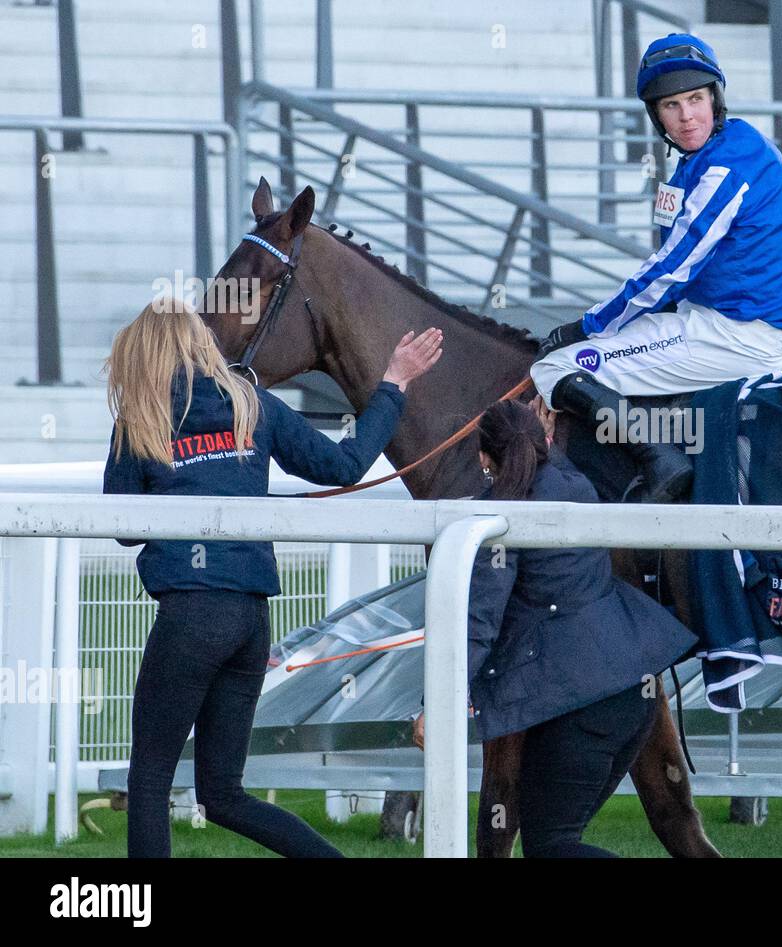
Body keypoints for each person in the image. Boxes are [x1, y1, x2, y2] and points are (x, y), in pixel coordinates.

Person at [102, 295, 443, 857]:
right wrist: (393, 384)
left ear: (141, 355)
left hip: (190, 615)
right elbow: (343, 466)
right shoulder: (250, 403)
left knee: (150, 781)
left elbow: (123, 526)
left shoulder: (139, 416)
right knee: (223, 792)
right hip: (249, 619)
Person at [530, 31, 782, 501]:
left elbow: (669, 270)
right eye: (671, 106)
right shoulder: (710, 154)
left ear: (715, 98)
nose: (686, 117)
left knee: (556, 369)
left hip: (733, 337)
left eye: (696, 99)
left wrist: (588, 327)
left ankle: (659, 458)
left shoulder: (725, 166)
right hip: (720, 321)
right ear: (656, 115)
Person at [413, 399, 697, 857]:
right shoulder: (575, 484)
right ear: (544, 440)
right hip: (631, 693)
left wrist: (436, 700)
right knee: (552, 845)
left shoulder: (492, 519)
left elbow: (478, 621)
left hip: (585, 705)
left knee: (550, 850)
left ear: (484, 458)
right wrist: (543, 441)